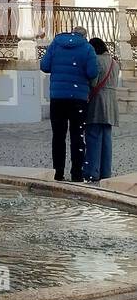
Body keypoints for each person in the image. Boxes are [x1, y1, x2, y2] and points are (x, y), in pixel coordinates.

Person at [39, 26, 98, 182]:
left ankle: (58, 173)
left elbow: (44, 66)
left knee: (58, 136)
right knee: (77, 136)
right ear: (85, 36)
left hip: (57, 98)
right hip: (78, 98)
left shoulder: (55, 44)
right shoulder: (87, 48)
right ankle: (76, 174)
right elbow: (92, 73)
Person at [85, 38, 120, 184]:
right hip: (111, 103)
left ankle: (92, 171)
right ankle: (106, 171)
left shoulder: (96, 61)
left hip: (98, 102)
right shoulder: (114, 63)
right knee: (106, 138)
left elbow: (93, 82)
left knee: (93, 136)